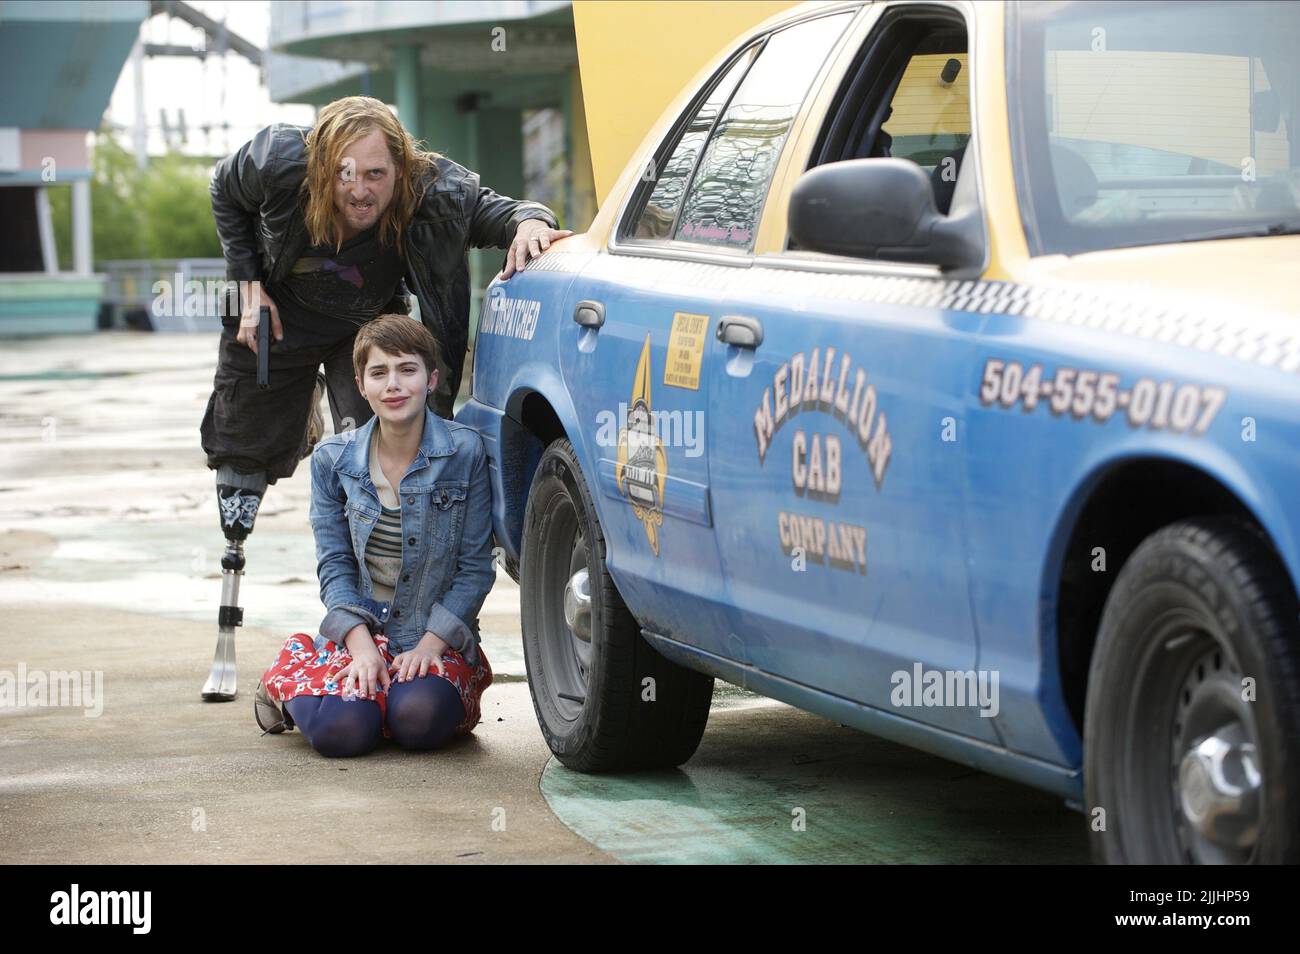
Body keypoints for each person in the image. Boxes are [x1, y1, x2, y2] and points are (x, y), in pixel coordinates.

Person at [198, 95, 568, 699]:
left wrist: (530, 222)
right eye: (344, 173)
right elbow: (224, 188)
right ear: (321, 165)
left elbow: (511, 211)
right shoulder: (277, 160)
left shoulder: (434, 191)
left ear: (403, 170)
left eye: (375, 174)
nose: (359, 190)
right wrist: (245, 283)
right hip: (276, 320)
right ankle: (267, 639)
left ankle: (392, 637)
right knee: (241, 460)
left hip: (364, 335)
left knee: (381, 467)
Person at [254, 316, 496, 756]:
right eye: (379, 373)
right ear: (361, 385)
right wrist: (362, 648)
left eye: (407, 369)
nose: (394, 385)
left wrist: (430, 644)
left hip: (432, 631)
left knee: (417, 722)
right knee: (344, 733)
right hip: (361, 629)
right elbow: (335, 566)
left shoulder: (465, 452)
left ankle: (382, 698)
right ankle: (285, 678)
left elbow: (475, 569)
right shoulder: (333, 461)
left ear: (432, 379)